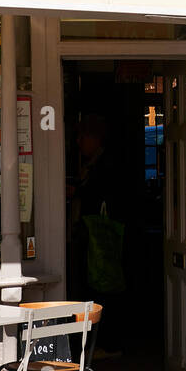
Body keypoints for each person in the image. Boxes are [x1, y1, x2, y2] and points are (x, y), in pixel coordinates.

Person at [68, 113, 125, 355]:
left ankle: (108, 344)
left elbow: (100, 194)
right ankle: (100, 342)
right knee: (96, 284)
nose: (79, 142)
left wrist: (77, 191)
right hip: (93, 234)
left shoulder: (105, 164)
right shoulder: (92, 163)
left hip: (99, 235)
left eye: (83, 136)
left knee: (102, 285)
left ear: (95, 138)